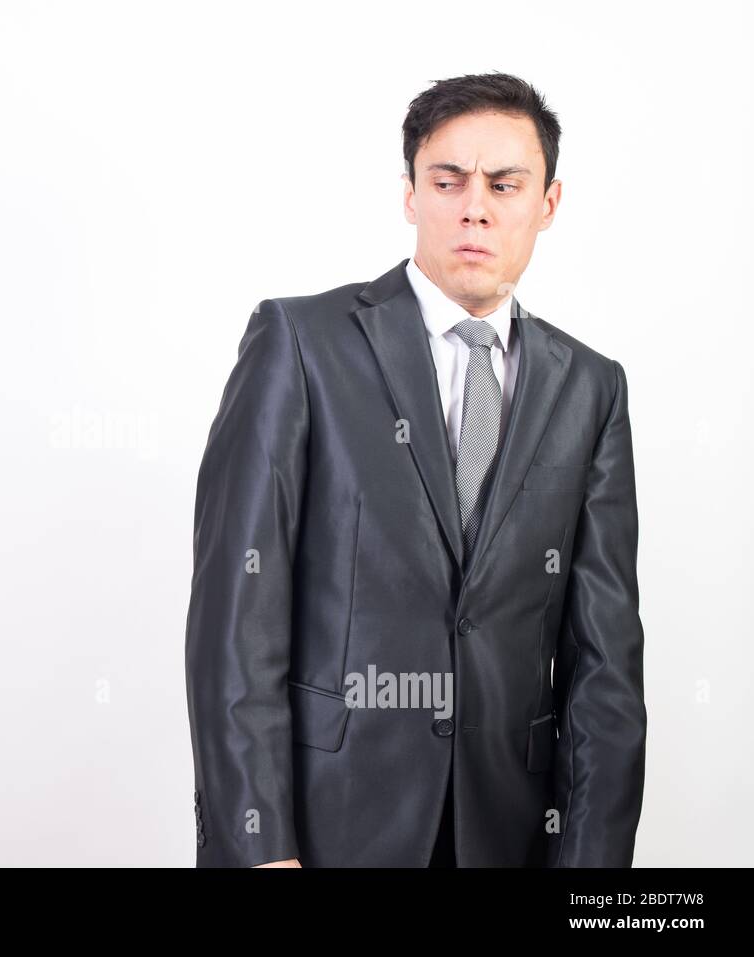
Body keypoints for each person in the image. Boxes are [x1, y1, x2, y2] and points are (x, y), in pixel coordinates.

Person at [184, 72, 646, 867]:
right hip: (327, 830)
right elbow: (236, 618)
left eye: (505, 184)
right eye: (448, 180)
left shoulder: (591, 387)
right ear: (410, 194)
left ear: (548, 202)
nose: (475, 206)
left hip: (508, 834)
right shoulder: (302, 344)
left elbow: (605, 667)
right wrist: (259, 845)